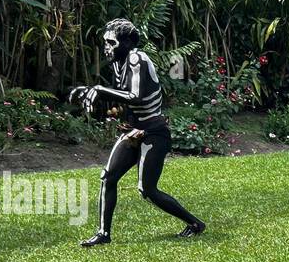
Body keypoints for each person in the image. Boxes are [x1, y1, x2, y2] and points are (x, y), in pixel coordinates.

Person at [69, 18, 205, 247]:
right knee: (108, 177)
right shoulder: (118, 62)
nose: (107, 48)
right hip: (134, 130)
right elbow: (122, 102)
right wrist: (89, 92)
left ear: (127, 42)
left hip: (154, 132)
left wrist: (100, 90)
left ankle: (195, 223)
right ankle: (104, 233)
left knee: (147, 189)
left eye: (111, 42)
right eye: (105, 43)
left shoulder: (136, 58)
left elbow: (136, 97)